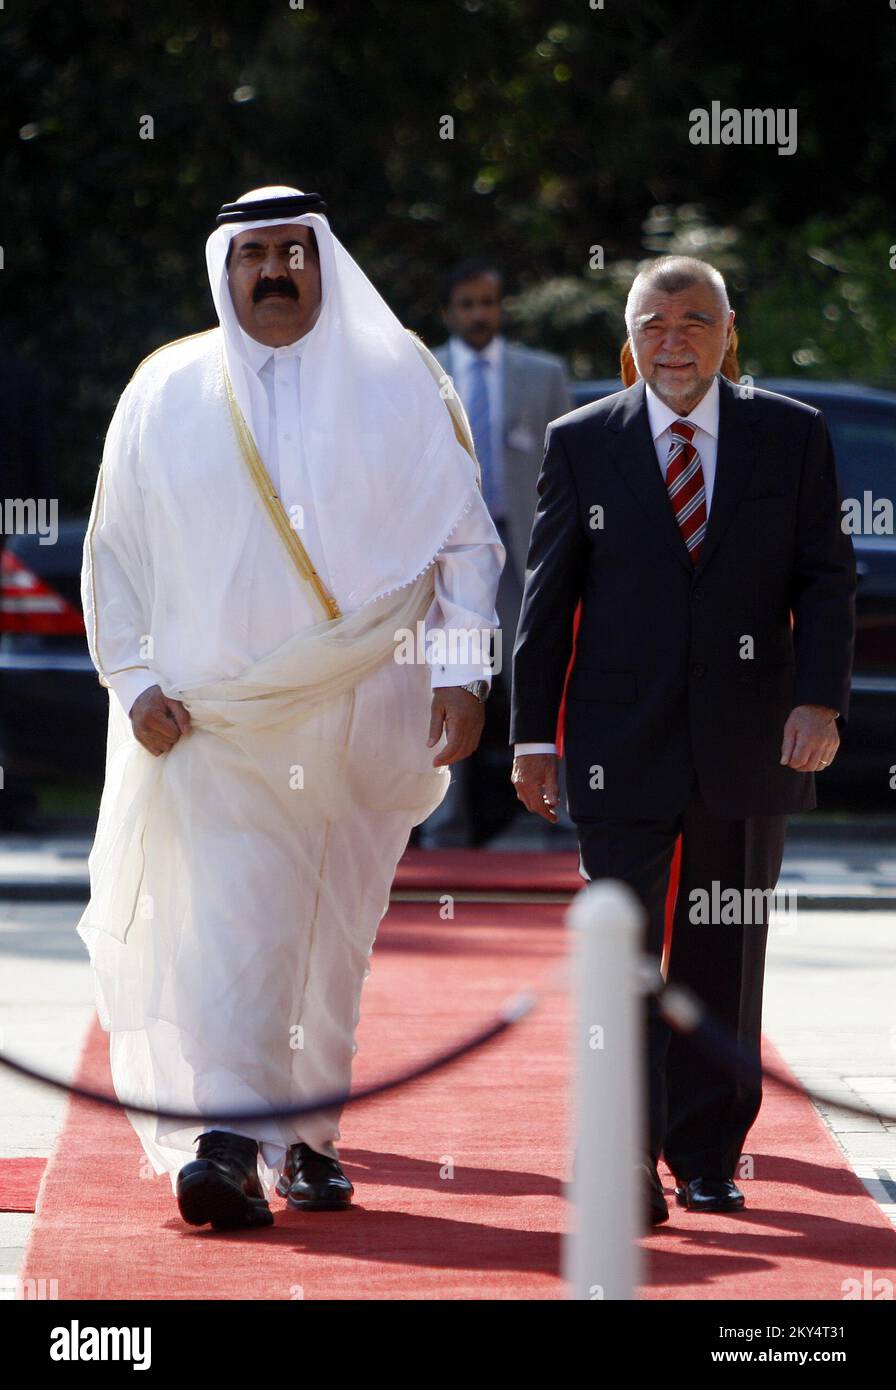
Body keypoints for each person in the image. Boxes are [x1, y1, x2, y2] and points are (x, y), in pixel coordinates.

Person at [77, 185, 503, 1230]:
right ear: (225, 267)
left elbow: (465, 544)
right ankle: (225, 1140)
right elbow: (112, 550)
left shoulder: (399, 378)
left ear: (324, 259)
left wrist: (461, 670)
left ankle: (308, 1140)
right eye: (255, 253)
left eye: (294, 252)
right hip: (215, 720)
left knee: (330, 937)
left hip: (368, 709)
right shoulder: (165, 388)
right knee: (235, 925)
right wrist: (130, 680)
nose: (275, 270)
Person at [510, 256, 855, 1229]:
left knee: (721, 953)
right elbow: (547, 597)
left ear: (727, 334)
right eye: (654, 322)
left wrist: (819, 702)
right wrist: (532, 735)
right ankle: (618, 1156)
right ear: (628, 341)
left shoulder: (789, 435)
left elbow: (825, 578)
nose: (674, 338)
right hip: (619, 743)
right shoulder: (583, 440)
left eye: (694, 320)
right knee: (620, 951)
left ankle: (705, 1156)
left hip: (749, 743)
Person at [423, 259, 572, 846]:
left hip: (525, 557)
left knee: (548, 676)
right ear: (447, 312)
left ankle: (565, 815)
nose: (479, 314)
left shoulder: (543, 373)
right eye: (467, 304)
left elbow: (569, 467)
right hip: (446, 559)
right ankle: (443, 822)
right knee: (445, 681)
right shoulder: (420, 373)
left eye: (488, 302)